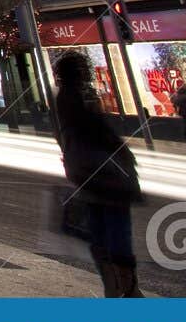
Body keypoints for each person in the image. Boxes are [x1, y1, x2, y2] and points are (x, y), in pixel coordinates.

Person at [54, 52, 144, 297]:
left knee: (100, 230)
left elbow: (65, 137)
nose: (88, 72)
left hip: (85, 173)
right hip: (105, 175)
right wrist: (122, 156)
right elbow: (101, 135)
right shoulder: (80, 101)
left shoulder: (64, 100)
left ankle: (114, 284)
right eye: (84, 68)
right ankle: (125, 285)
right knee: (116, 229)